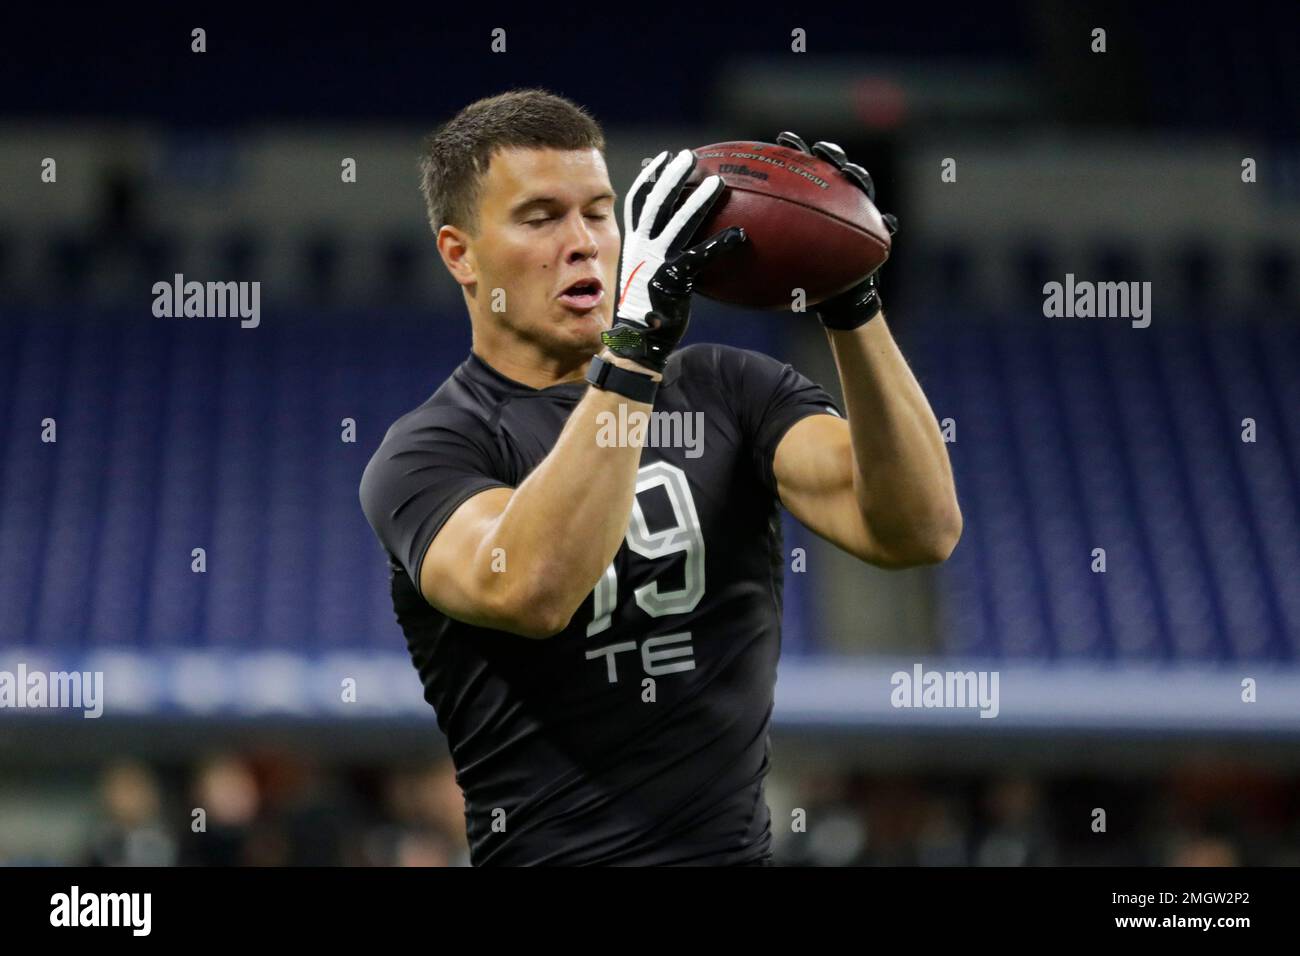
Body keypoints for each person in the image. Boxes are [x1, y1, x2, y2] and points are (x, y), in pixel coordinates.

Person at [360, 88, 960, 865]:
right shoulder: (430, 451)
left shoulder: (730, 392)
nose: (581, 243)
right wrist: (633, 351)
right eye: (540, 217)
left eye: (600, 212)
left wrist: (853, 302)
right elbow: (532, 588)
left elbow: (918, 528)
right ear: (460, 253)